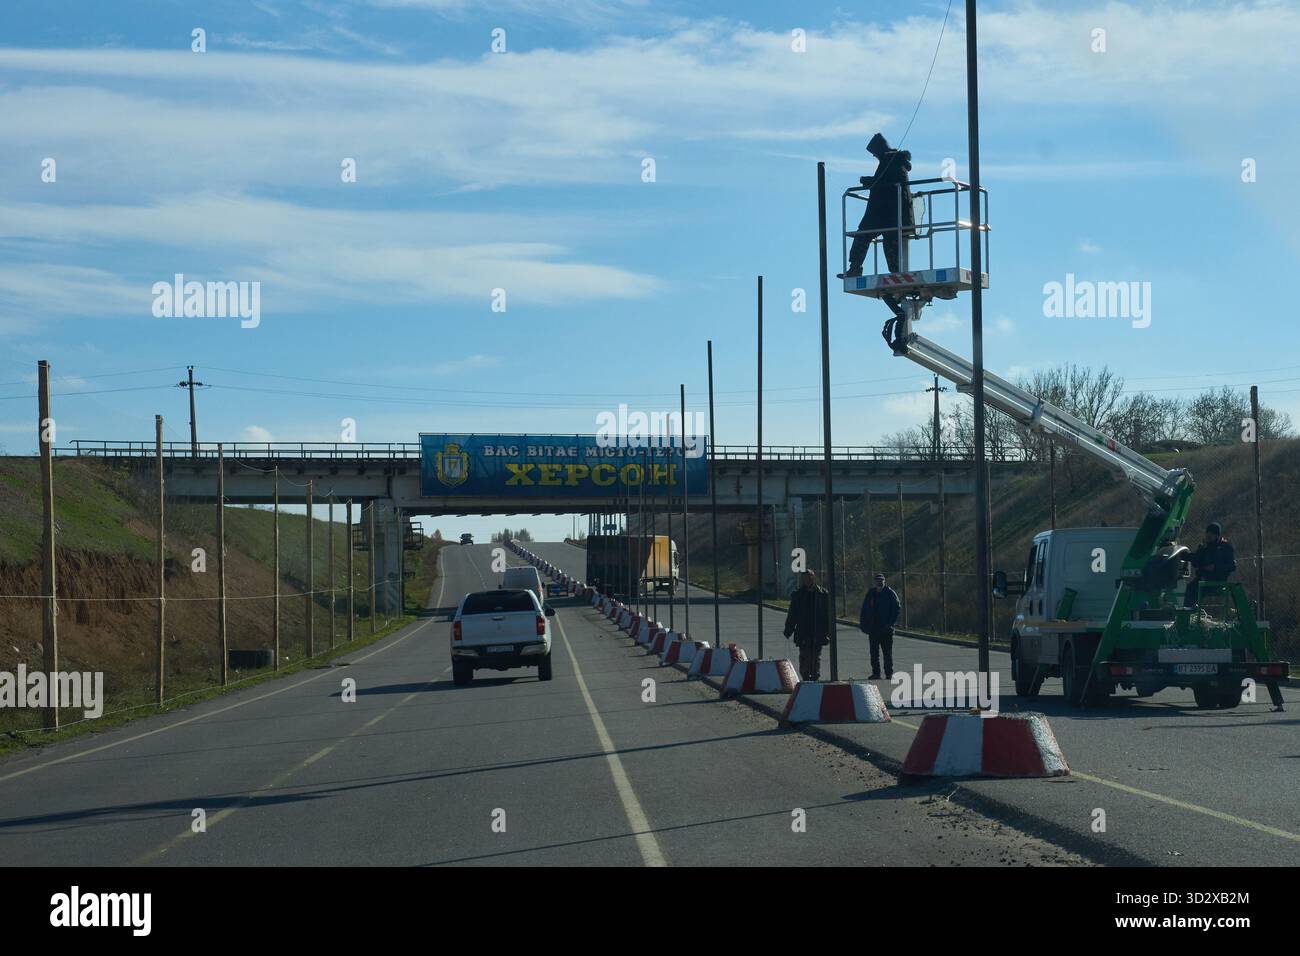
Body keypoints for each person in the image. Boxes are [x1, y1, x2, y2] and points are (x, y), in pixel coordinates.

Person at [838, 132, 914, 324]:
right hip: (891, 212)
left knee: (862, 236)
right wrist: (871, 181)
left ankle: (856, 268)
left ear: (879, 149)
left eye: (874, 153)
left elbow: (884, 182)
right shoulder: (895, 160)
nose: (874, 156)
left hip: (884, 212)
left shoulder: (892, 160)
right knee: (888, 243)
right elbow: (886, 180)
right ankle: (894, 272)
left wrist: (868, 182)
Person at [784, 570, 831, 681]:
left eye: (809, 578)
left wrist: (829, 632)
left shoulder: (823, 594)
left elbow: (828, 615)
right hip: (803, 631)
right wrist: (788, 629)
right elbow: (792, 614)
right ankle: (805, 676)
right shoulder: (798, 595)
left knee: (816, 656)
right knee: (804, 655)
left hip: (818, 631)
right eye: (805, 579)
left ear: (813, 578)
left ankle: (815, 675)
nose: (807, 580)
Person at [1184, 522, 1236, 608]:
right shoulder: (1204, 546)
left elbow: (1232, 566)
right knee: (1188, 590)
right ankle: (1188, 612)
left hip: (1217, 579)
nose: (1208, 535)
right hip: (1202, 578)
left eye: (1211, 534)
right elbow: (1195, 563)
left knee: (1195, 591)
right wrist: (1201, 550)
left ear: (1217, 535)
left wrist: (1215, 567)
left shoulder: (1225, 547)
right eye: (1207, 533)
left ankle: (1190, 611)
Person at [859, 572, 900, 679]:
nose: (879, 582)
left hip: (886, 630)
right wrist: (864, 625)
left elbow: (896, 609)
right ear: (875, 582)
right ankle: (876, 673)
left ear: (884, 581)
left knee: (887, 653)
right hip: (873, 629)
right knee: (874, 653)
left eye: (881, 580)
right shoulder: (870, 594)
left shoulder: (890, 593)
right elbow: (864, 610)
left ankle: (889, 673)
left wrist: (889, 624)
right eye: (877, 580)